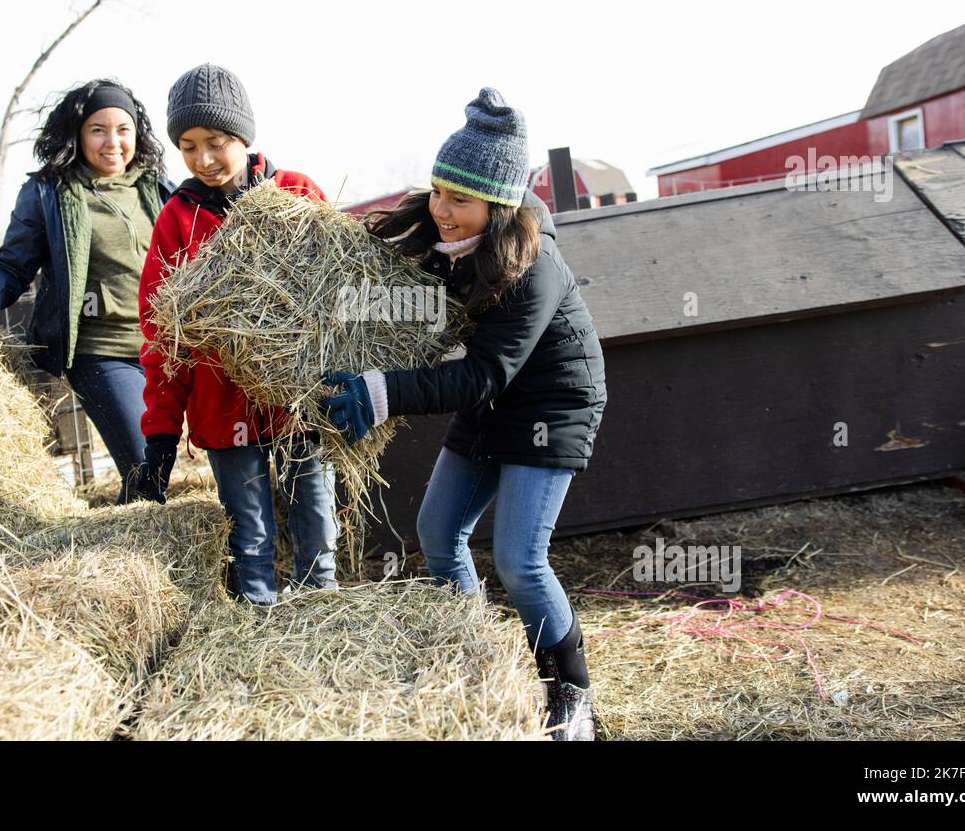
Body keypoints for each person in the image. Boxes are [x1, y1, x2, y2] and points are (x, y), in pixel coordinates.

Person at [318, 88, 608, 739]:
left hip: (551, 405)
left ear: (499, 205)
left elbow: (484, 371)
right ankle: (475, 657)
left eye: (459, 198)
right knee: (439, 527)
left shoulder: (535, 268)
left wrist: (378, 392)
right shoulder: (447, 232)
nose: (442, 210)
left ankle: (572, 697)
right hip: (493, 401)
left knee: (520, 560)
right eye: (438, 191)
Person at [132, 62, 339, 606]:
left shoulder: (294, 194)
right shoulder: (178, 219)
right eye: (188, 145)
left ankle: (324, 613)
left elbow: (344, 288)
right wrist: (159, 435)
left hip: (298, 399)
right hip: (223, 407)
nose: (203, 159)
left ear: (244, 136)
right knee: (249, 533)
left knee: (314, 518)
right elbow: (162, 336)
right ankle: (260, 628)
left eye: (217, 141)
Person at [0, 79, 174, 504]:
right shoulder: (50, 192)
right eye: (98, 130)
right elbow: (12, 262)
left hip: (165, 351)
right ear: (77, 134)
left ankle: (131, 548)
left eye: (123, 130)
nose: (113, 142)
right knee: (147, 466)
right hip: (102, 352)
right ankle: (135, 563)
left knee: (173, 470)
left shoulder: (159, 189)